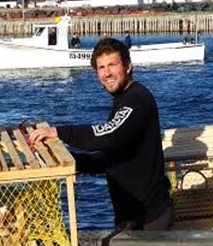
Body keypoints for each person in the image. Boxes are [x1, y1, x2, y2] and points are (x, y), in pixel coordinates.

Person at [27, 38, 172, 231]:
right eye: (101, 67)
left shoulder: (136, 99)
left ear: (128, 66)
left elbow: (110, 134)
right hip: (130, 217)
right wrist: (70, 160)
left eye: (113, 65)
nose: (107, 73)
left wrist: (59, 132)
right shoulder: (123, 100)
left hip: (150, 218)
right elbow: (112, 159)